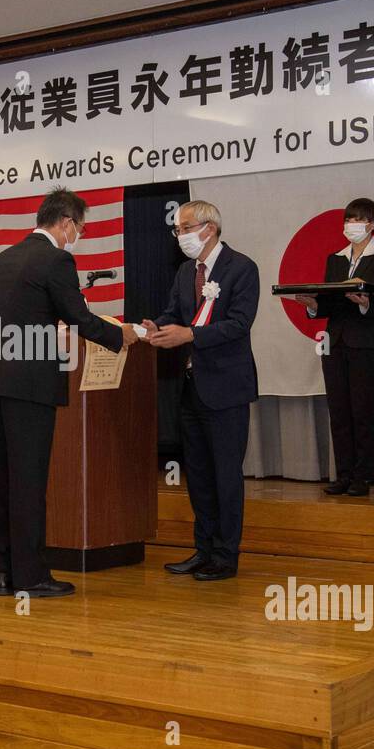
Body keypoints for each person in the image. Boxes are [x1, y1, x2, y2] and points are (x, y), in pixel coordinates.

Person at [0, 188, 135, 599]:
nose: (77, 235)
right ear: (65, 223)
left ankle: (3, 570)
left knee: (0, 477)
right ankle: (31, 576)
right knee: (28, 480)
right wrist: (124, 335)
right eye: (78, 228)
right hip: (29, 385)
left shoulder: (4, 258)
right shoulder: (57, 259)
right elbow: (78, 317)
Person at [142, 200, 259, 581]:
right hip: (191, 387)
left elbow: (239, 324)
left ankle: (226, 555)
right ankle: (203, 549)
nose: (179, 236)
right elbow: (173, 314)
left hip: (226, 389)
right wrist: (151, 329)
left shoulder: (242, 268)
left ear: (208, 228)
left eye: (184, 228)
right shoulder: (183, 272)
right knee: (199, 475)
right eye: (177, 229)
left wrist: (190, 334)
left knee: (225, 474)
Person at [289, 198, 374, 497]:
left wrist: (366, 303)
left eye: (358, 220)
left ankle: (363, 477)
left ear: (373, 223)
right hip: (335, 342)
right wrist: (314, 306)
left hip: (369, 343)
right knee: (339, 411)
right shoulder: (336, 259)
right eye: (348, 220)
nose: (351, 225)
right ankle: (344, 475)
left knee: (364, 411)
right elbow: (331, 303)